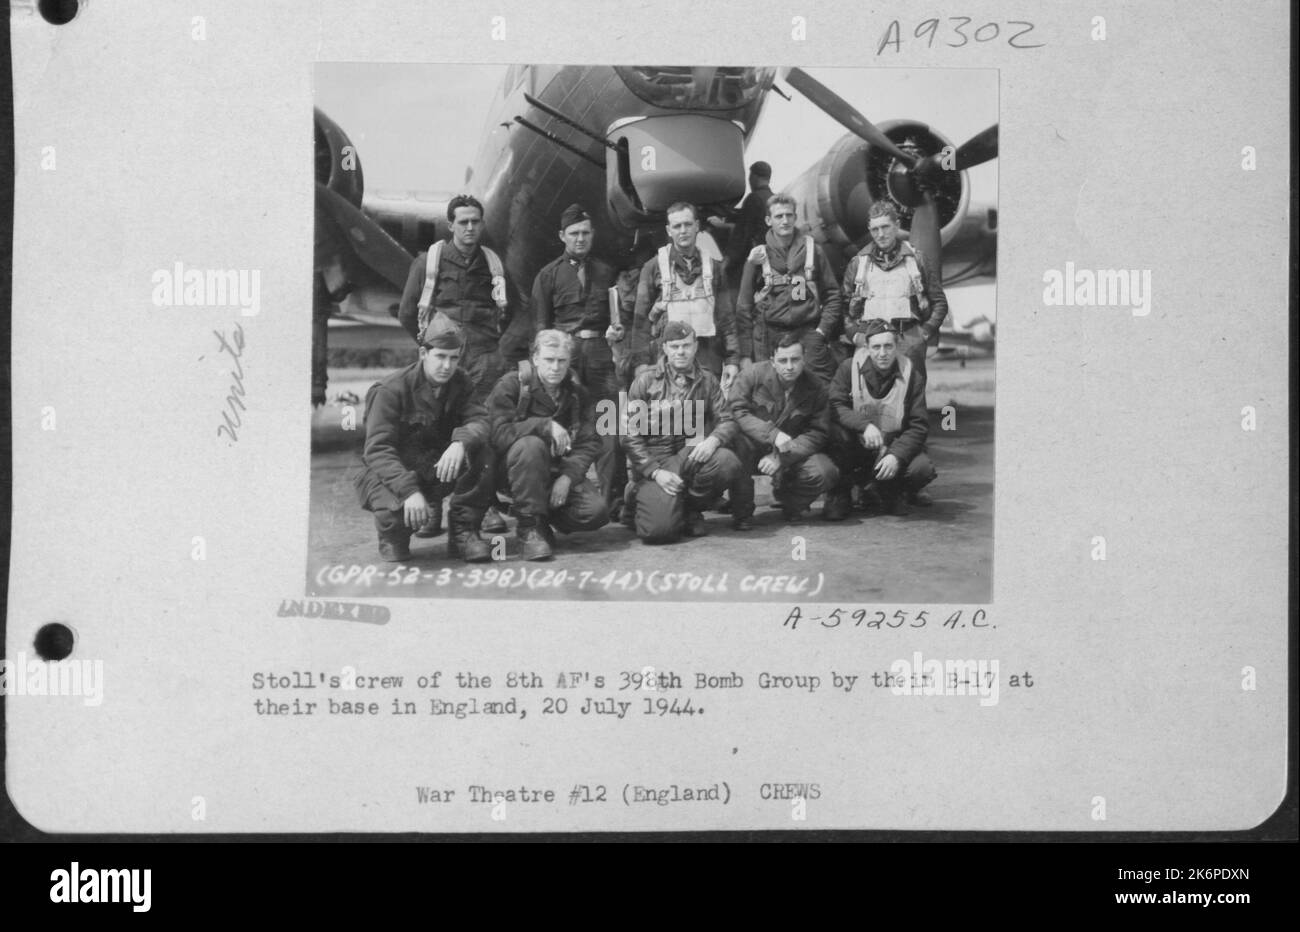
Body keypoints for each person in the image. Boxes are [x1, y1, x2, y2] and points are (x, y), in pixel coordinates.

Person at [396, 194, 520, 536]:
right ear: (450, 225)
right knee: (433, 428)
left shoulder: (494, 263)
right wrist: (431, 351)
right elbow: (407, 311)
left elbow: (514, 307)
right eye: (462, 222)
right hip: (442, 360)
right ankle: (434, 503)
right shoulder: (429, 261)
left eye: (475, 221)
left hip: (483, 360)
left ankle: (486, 504)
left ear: (482, 224)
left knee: (484, 430)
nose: (469, 228)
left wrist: (493, 349)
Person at [353, 316, 496, 563]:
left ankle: (463, 532)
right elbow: (378, 450)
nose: (447, 366)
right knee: (394, 519)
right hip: (392, 472)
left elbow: (480, 420)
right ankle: (392, 535)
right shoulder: (390, 390)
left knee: (484, 450)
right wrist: (410, 492)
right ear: (423, 353)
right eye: (440, 356)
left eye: (454, 358)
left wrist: (460, 442)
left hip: (434, 467)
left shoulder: (460, 381)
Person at [530, 204, 624, 514]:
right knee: (561, 422)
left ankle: (614, 502)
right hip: (564, 360)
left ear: (593, 235)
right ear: (562, 236)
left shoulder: (606, 271)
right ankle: (555, 497)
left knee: (609, 426)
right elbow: (541, 328)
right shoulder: (547, 276)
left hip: (599, 356)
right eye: (574, 233)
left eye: (585, 233)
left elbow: (616, 318)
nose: (580, 238)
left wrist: (616, 332)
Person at [486, 329, 609, 560]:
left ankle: (542, 517)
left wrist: (567, 478)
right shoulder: (512, 386)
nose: (555, 367)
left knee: (595, 512)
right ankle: (529, 528)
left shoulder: (575, 393)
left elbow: (589, 442)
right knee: (531, 446)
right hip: (513, 472)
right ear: (535, 359)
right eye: (549, 360)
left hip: (555, 472)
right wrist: (544, 426)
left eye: (562, 361)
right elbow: (496, 434)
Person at [622, 321, 741, 543]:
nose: (681, 351)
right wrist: (654, 472)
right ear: (664, 348)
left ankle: (689, 509)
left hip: (689, 453)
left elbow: (727, 420)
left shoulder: (707, 380)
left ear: (696, 346)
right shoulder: (645, 381)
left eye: (686, 345)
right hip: (655, 458)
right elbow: (629, 434)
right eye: (675, 346)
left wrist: (713, 440)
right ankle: (635, 496)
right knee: (658, 532)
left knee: (727, 462)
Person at [826, 319, 936, 518]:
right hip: (858, 445)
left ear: (897, 346)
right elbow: (834, 405)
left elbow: (918, 425)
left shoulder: (912, 375)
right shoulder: (848, 368)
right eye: (876, 347)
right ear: (867, 347)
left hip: (892, 445)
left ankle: (891, 490)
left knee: (922, 469)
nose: (882, 353)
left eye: (888, 346)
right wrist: (864, 426)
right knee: (834, 434)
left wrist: (896, 455)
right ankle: (841, 492)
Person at [728, 332, 839, 529]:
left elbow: (817, 433)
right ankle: (742, 510)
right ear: (772, 361)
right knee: (737, 446)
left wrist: (780, 458)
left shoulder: (816, 387)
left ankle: (791, 502)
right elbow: (737, 411)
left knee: (825, 471)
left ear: (804, 359)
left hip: (791, 450)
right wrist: (772, 434)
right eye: (783, 360)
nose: (789, 366)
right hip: (753, 447)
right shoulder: (751, 375)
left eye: (795, 359)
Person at [628, 202, 740, 388]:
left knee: (705, 413)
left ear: (697, 226)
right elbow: (641, 321)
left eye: (688, 224)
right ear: (668, 230)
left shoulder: (714, 268)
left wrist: (732, 360)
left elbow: (726, 316)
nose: (683, 230)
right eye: (677, 226)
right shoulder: (653, 268)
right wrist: (641, 364)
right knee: (671, 414)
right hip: (667, 359)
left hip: (707, 357)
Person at [736, 193, 842, 384]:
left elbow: (833, 295)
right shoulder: (758, 257)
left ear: (795, 217)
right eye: (778, 216)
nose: (784, 221)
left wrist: (821, 332)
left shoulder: (813, 250)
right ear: (769, 220)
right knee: (769, 395)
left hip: (808, 334)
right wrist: (745, 352)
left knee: (819, 390)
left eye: (789, 215)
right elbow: (743, 306)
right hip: (769, 336)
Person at [841, 200, 948, 378]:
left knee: (913, 401)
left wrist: (925, 332)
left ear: (897, 225)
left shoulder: (917, 259)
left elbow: (940, 303)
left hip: (908, 339)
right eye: (875, 229)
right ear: (869, 229)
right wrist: (854, 335)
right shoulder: (858, 263)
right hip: (871, 341)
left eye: (886, 227)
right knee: (871, 401)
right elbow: (844, 306)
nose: (881, 234)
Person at [711, 160, 774, 291]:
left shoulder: (753, 199)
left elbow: (742, 233)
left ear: (754, 177)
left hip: (756, 262)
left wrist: (727, 260)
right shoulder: (773, 198)